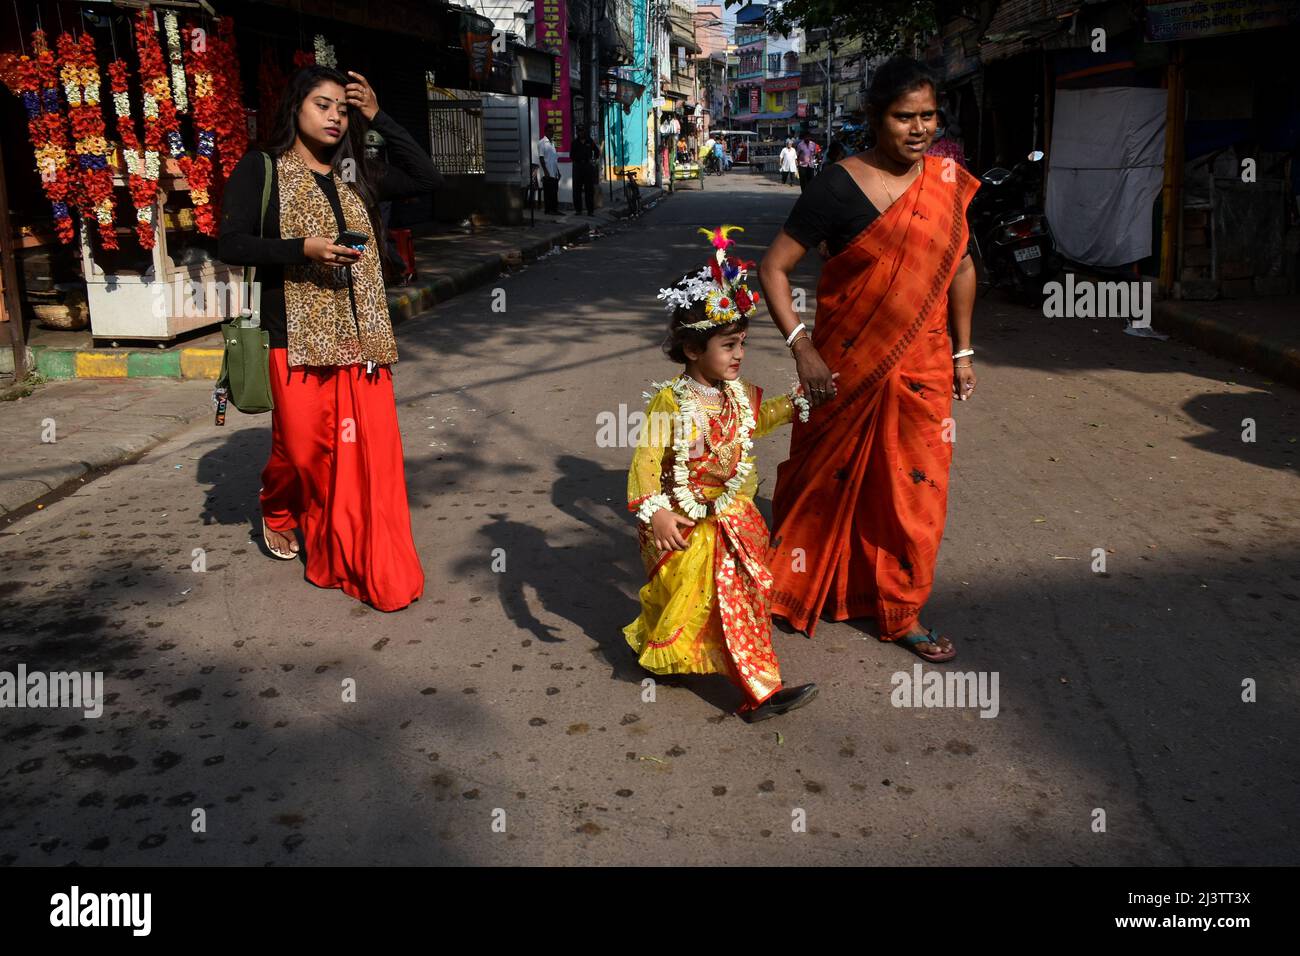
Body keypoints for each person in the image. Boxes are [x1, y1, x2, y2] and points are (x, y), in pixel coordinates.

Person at [757, 56, 980, 660]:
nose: (918, 129)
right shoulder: (836, 185)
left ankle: (900, 608)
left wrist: (961, 351)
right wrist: (800, 347)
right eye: (903, 117)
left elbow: (960, 267)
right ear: (876, 118)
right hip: (842, 367)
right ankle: (810, 578)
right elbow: (773, 268)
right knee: (823, 478)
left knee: (914, 493)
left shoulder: (948, 185)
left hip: (925, 368)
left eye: (928, 116)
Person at [218, 66, 443, 612]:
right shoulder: (262, 168)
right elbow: (232, 243)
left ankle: (355, 554)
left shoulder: (356, 172)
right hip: (289, 336)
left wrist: (377, 115)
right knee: (301, 449)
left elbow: (425, 176)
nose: (334, 116)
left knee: (364, 459)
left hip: (362, 342)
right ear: (295, 108)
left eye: (342, 109)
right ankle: (276, 507)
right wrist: (303, 249)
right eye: (322, 105)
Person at [625, 225, 819, 722]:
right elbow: (646, 461)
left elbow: (762, 415)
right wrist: (659, 512)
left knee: (741, 593)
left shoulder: (737, 394)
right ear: (693, 350)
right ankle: (661, 653)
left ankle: (761, 693)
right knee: (681, 597)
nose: (738, 355)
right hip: (686, 521)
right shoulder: (673, 400)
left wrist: (800, 399)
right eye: (728, 346)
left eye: (742, 344)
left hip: (735, 516)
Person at [571, 125, 600, 215]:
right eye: (579, 131)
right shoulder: (574, 142)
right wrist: (578, 160)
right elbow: (571, 155)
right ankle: (578, 210)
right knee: (577, 190)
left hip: (588, 166)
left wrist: (594, 160)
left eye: (582, 131)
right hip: (578, 167)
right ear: (577, 132)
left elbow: (597, 151)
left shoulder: (589, 141)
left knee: (589, 190)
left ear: (585, 131)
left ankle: (590, 211)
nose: (581, 133)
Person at [539, 125, 560, 214]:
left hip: (554, 172)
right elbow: (541, 158)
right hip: (547, 172)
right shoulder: (542, 143)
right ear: (546, 131)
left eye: (553, 131)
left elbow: (554, 159)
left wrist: (558, 171)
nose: (552, 133)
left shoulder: (552, 143)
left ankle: (554, 210)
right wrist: (545, 171)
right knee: (548, 193)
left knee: (554, 192)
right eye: (550, 131)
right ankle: (548, 210)